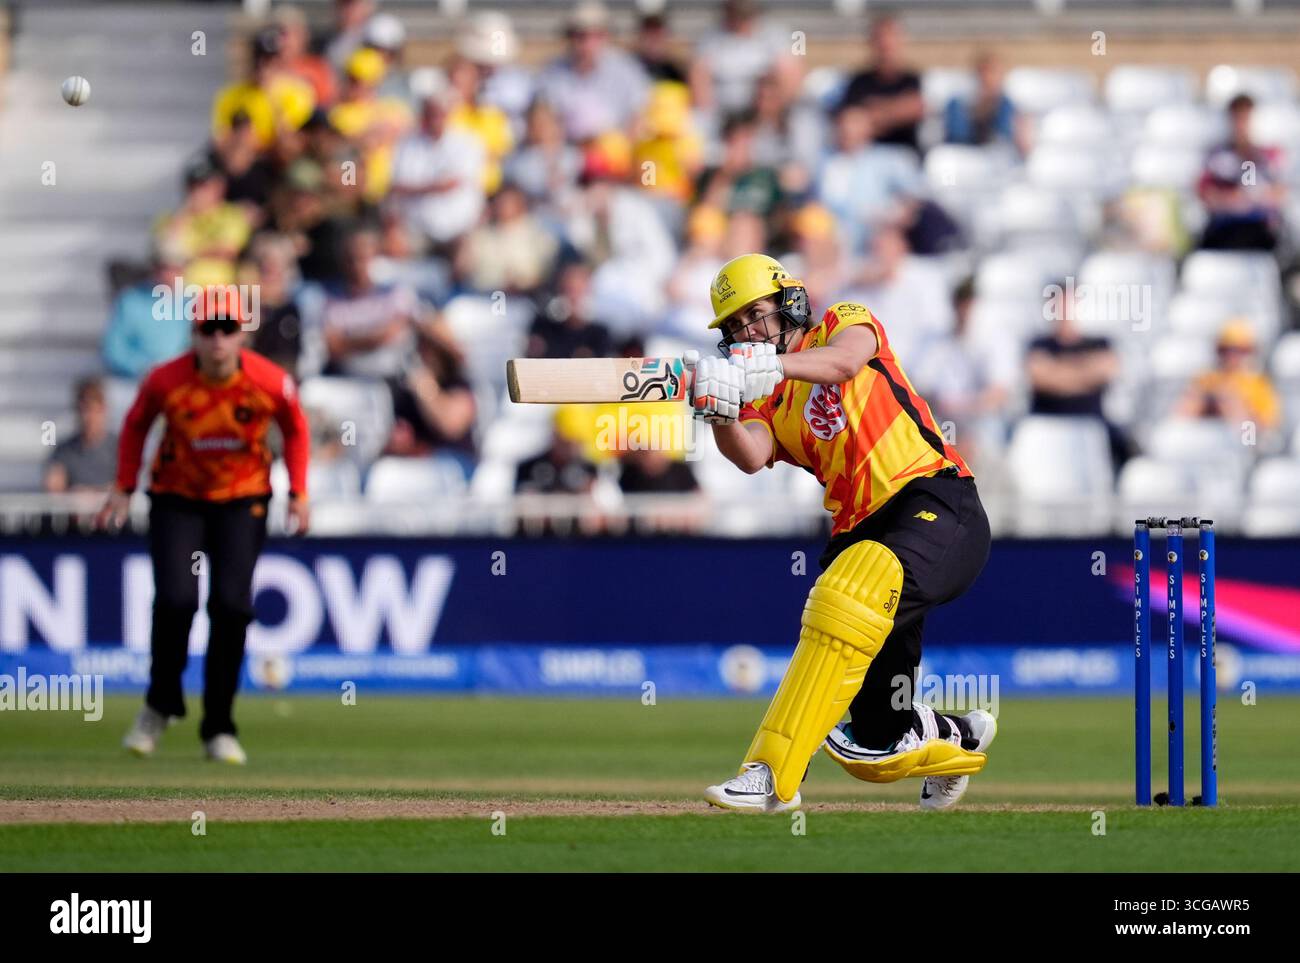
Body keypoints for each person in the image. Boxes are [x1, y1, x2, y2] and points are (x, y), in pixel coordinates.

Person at [696, 254, 995, 813]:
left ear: (790, 304)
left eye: (754, 316)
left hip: (935, 500)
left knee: (843, 597)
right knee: (880, 736)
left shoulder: (842, 321)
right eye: (733, 328)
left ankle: (771, 777)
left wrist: (776, 366)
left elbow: (842, 365)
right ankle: (957, 736)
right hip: (858, 530)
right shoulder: (765, 399)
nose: (746, 333)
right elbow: (751, 454)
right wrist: (720, 412)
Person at [96, 288, 310, 765]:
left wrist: (298, 491)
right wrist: (125, 484)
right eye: (208, 330)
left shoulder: (270, 381)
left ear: (242, 335)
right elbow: (135, 425)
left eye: (227, 330)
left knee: (231, 608)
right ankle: (160, 704)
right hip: (177, 498)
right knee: (175, 600)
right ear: (194, 334)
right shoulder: (165, 380)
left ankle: (218, 726)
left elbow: (295, 429)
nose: (217, 340)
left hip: (243, 498)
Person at [1197, 93, 1286, 251]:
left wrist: (1255, 197)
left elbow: (1280, 194)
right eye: (1237, 119)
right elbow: (1207, 195)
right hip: (1225, 229)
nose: (1241, 126)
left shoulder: (1270, 156)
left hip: (1260, 229)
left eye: (1245, 119)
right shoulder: (1216, 156)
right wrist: (1232, 201)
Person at [839, 14, 924, 154]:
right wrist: (895, 111)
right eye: (881, 40)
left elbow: (916, 109)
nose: (886, 46)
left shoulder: (912, 79)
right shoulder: (858, 82)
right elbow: (848, 125)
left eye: (891, 40)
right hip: (865, 156)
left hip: (905, 155)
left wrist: (869, 116)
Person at [1178, 320, 1281, 434]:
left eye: (1239, 350)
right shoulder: (1206, 379)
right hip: (1206, 440)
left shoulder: (1258, 383)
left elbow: (1266, 425)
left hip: (1246, 441)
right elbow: (1183, 413)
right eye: (1225, 350)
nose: (1231, 356)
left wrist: (1232, 403)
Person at [44, 377, 118, 493]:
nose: (88, 417)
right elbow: (53, 487)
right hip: (73, 510)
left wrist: (93, 494)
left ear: (104, 410)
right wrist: (74, 496)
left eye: (94, 410)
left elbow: (126, 486)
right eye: (83, 410)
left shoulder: (118, 447)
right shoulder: (64, 450)